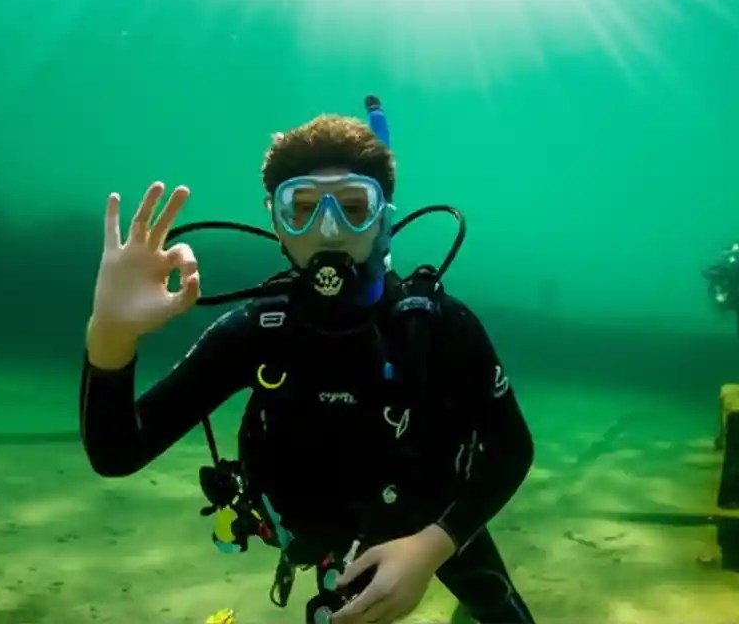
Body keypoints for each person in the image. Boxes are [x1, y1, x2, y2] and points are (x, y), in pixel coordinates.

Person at [78, 114, 536, 624]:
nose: (329, 230)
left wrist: (432, 548)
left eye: (355, 207)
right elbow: (117, 452)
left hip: (430, 514)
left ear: (385, 220)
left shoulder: (436, 328)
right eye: (302, 210)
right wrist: (111, 336)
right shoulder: (259, 332)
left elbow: (512, 447)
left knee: (497, 608)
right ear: (276, 224)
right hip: (310, 531)